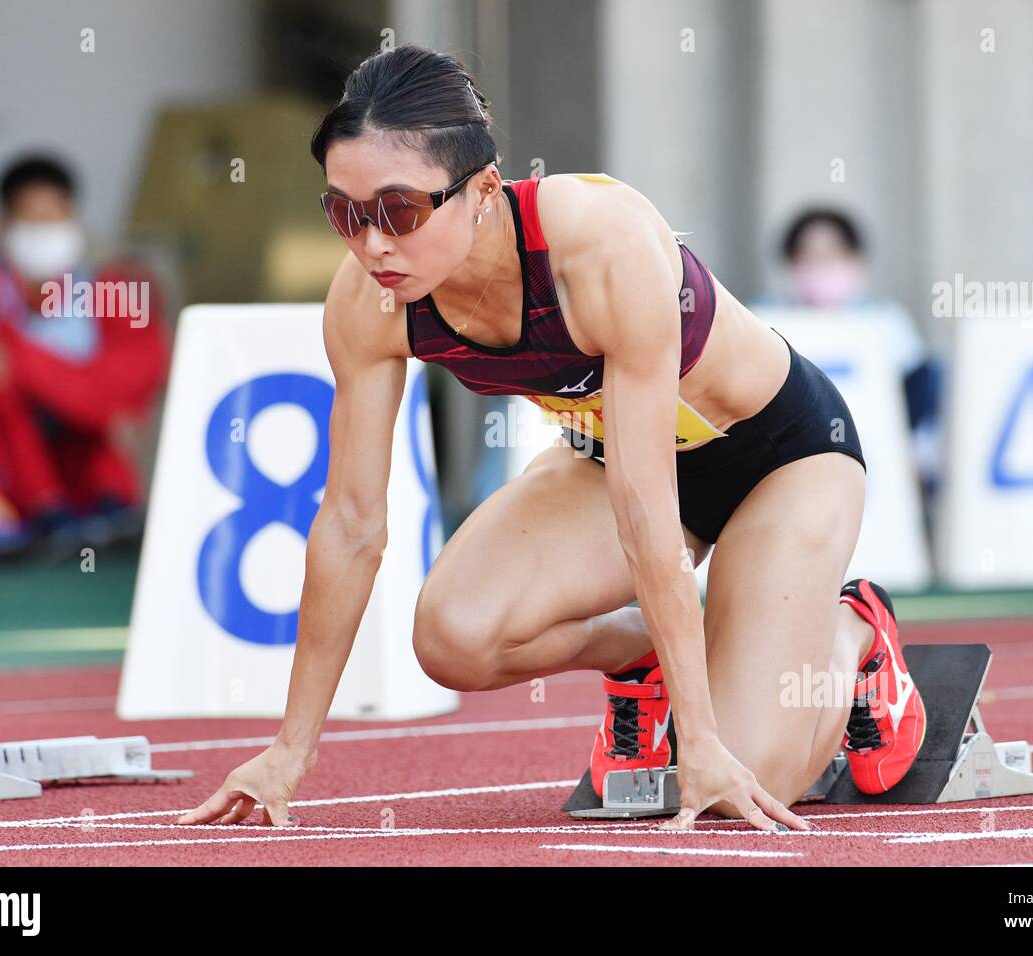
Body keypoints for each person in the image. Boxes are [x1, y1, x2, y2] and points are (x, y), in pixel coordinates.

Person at [179, 45, 926, 832]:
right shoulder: (369, 301)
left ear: (484, 193)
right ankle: (640, 657)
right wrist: (289, 753)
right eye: (344, 213)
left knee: (749, 770)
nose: (370, 245)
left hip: (780, 460)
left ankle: (854, 633)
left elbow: (647, 510)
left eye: (397, 211)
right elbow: (352, 524)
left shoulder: (602, 247)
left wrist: (701, 740)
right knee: (452, 637)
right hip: (614, 463)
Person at [0, 154, 168, 561]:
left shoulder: (111, 292)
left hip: (82, 461)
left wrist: (12, 356)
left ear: (73, 221)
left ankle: (100, 510)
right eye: (30, 221)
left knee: (91, 427)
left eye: (54, 218)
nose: (43, 232)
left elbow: (106, 400)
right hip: (8, 468)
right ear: (2, 226)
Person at [764, 208, 942, 501]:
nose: (821, 266)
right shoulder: (765, 318)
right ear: (791, 264)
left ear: (855, 260)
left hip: (880, 474)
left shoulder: (885, 322)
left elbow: (918, 389)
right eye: (809, 256)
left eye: (832, 255)